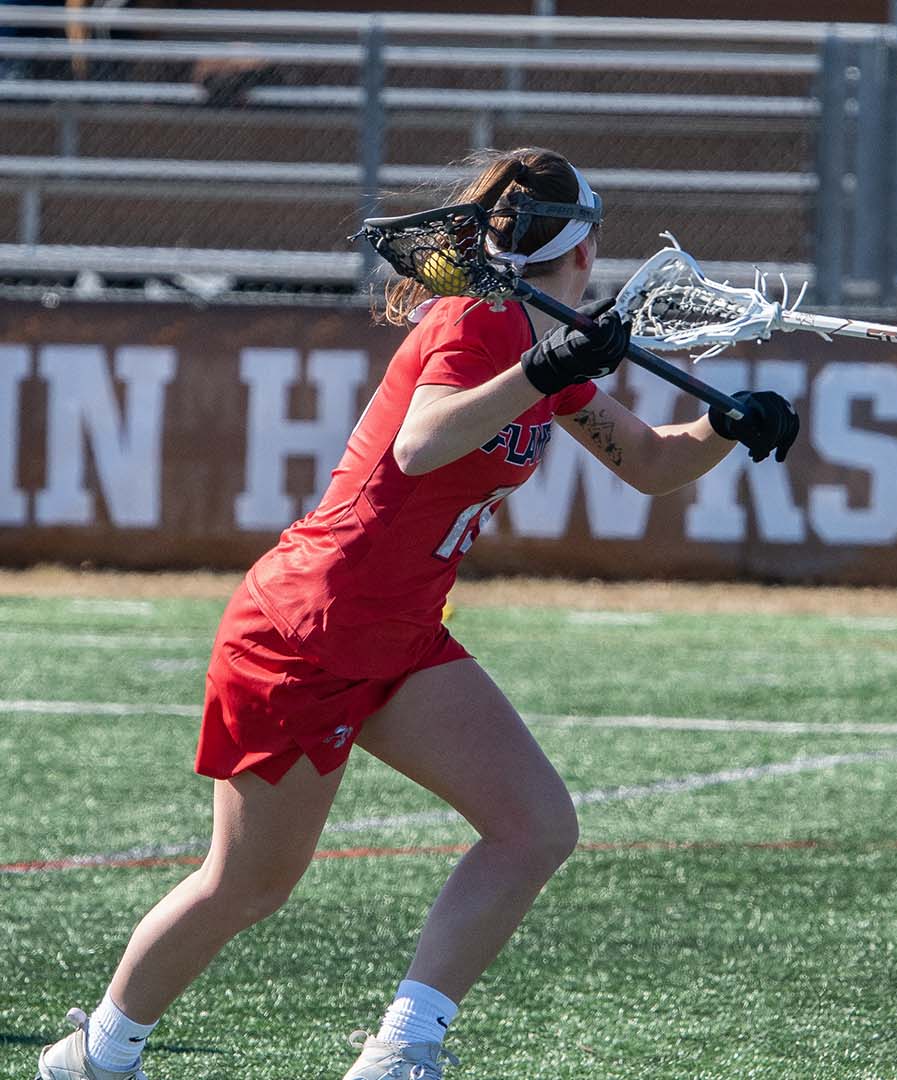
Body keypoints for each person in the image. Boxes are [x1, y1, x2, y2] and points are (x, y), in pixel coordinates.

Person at [34, 146, 799, 1080]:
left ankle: (402, 1050)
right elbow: (424, 441)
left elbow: (646, 463)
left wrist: (727, 428)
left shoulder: (533, 330)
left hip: (395, 634)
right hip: (306, 632)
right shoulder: (479, 320)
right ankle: (97, 1057)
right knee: (247, 884)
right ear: (586, 247)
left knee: (534, 826)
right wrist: (544, 366)